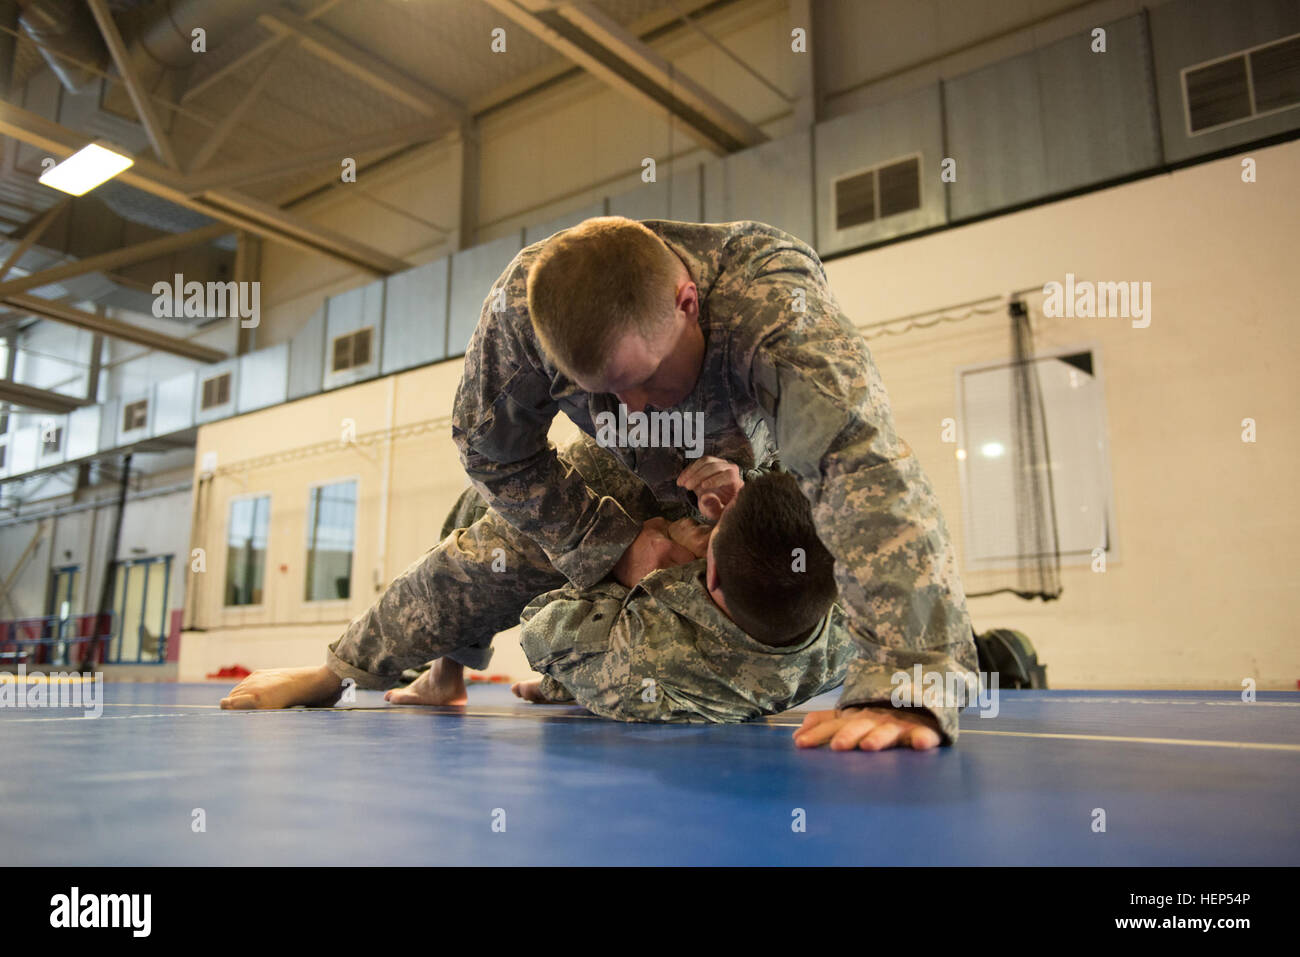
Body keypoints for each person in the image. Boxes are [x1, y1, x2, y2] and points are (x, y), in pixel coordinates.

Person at [226, 216, 976, 752]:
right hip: (627, 488)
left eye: (643, 382)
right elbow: (494, 455)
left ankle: (574, 674)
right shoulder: (522, 315)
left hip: (761, 489)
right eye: (601, 395)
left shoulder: (773, 312)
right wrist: (615, 543)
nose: (632, 413)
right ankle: (353, 667)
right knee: (491, 549)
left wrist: (906, 680)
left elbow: (865, 469)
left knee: (754, 606)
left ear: (689, 305)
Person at [512, 470, 858, 725]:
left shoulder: (642, 651)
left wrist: (628, 566)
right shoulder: (855, 640)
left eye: (712, 531)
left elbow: (539, 627)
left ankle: (562, 685)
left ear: (712, 574)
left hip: (635, 685)